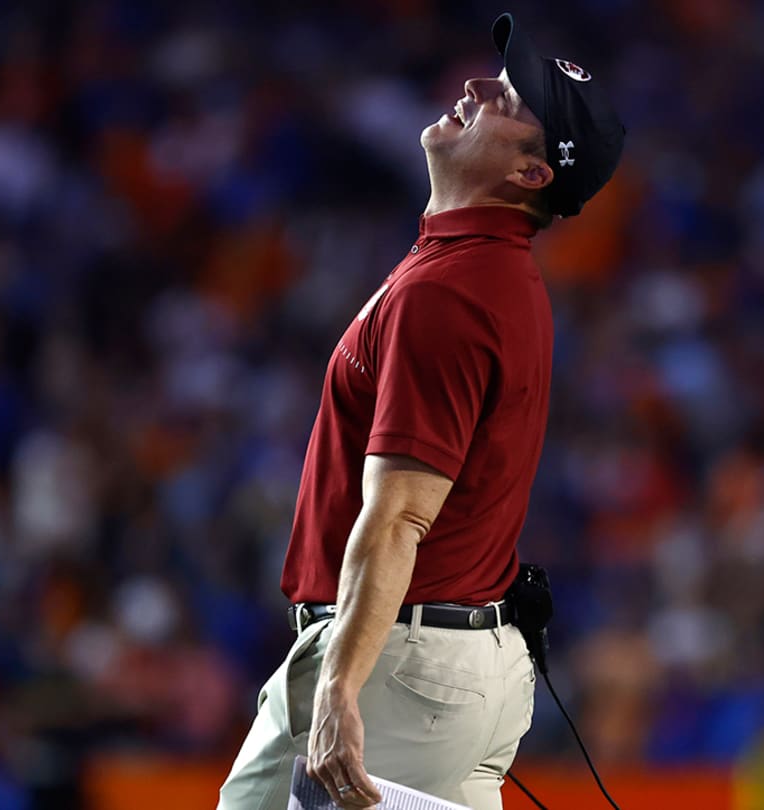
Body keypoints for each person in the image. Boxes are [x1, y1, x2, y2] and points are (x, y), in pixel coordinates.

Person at [218, 13, 624, 810]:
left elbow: (401, 513)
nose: (475, 87)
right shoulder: (479, 269)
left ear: (533, 175)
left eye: (508, 101)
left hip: (397, 662)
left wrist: (340, 688)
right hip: (449, 657)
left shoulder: (455, 288)